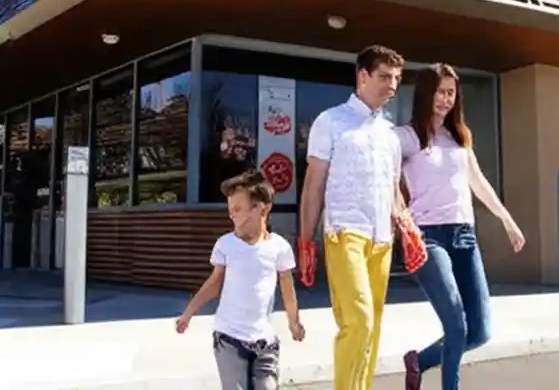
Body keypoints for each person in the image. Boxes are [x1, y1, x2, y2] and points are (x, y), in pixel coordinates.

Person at [397, 63, 526, 390]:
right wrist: (400, 218)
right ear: (426, 93)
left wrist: (506, 219)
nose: (445, 99)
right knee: (456, 323)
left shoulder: (460, 138)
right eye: (439, 92)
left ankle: (419, 361)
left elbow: (477, 181)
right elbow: (384, 180)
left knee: (479, 331)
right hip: (427, 236)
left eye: (450, 93)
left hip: (464, 236)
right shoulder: (406, 137)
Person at [297, 44, 414, 390]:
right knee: (358, 321)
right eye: (384, 77)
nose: (392, 85)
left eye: (396, 78)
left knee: (373, 325)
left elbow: (393, 190)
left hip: (382, 240)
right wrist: (305, 241)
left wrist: (409, 229)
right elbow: (312, 186)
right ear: (362, 76)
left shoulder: (390, 135)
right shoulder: (331, 121)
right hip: (345, 233)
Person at [176, 170, 305, 390]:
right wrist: (188, 313)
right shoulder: (226, 245)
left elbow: (287, 289)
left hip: (265, 343)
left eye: (237, 209)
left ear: (262, 208)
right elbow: (213, 284)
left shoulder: (279, 247)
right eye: (230, 210)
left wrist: (294, 321)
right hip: (229, 339)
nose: (232, 215)